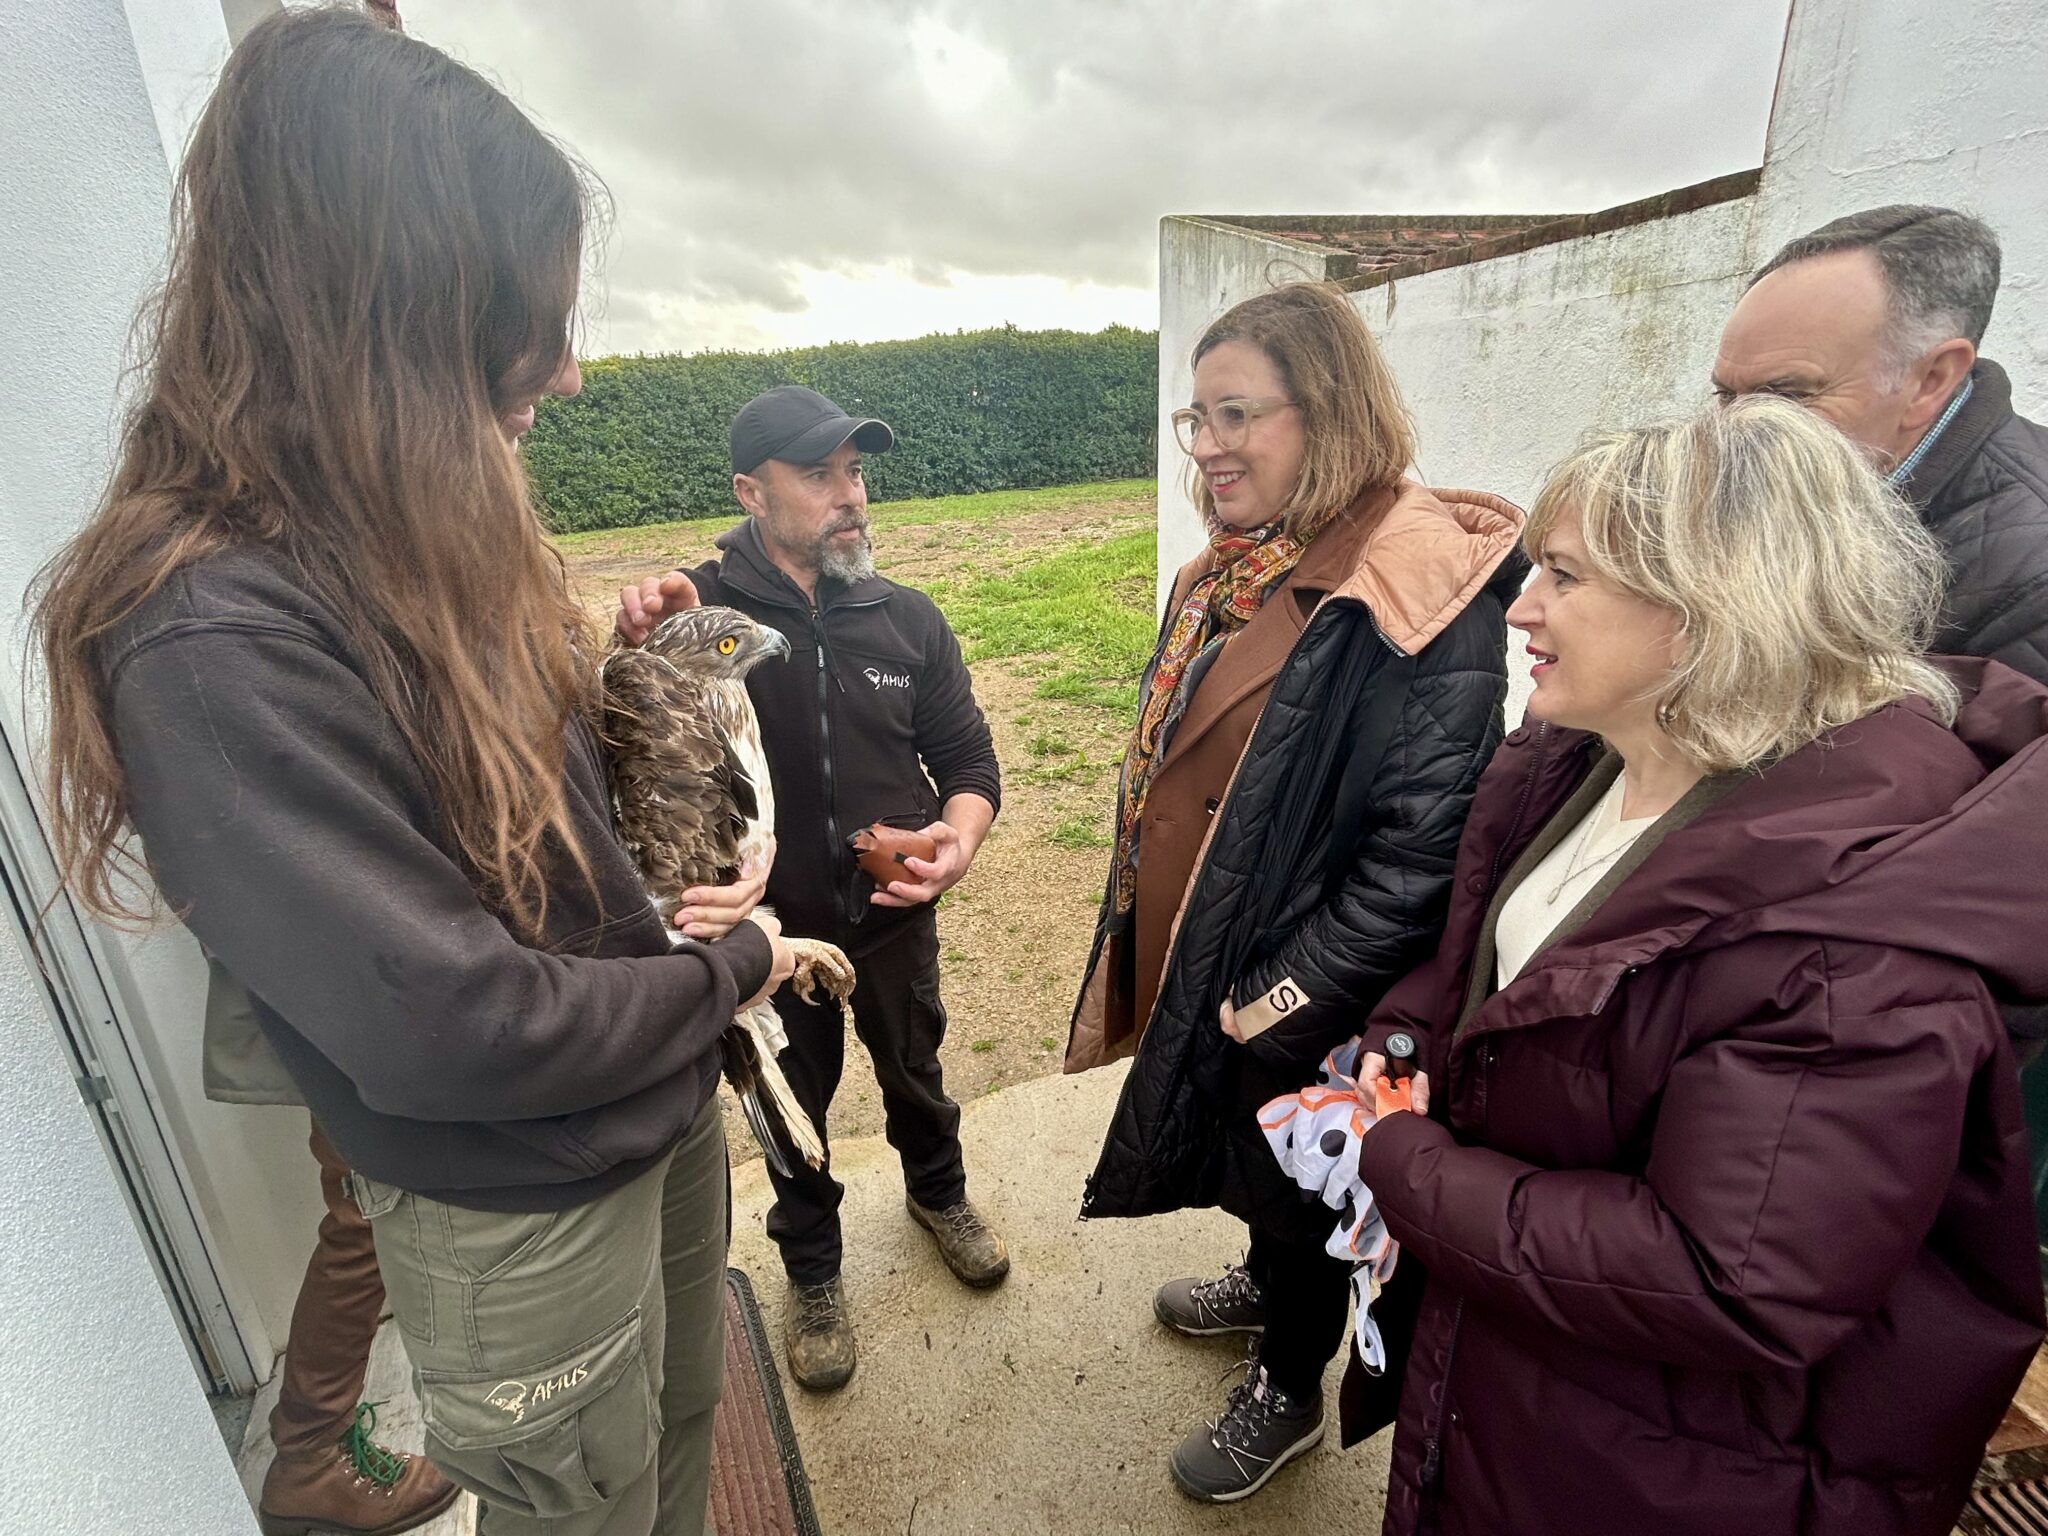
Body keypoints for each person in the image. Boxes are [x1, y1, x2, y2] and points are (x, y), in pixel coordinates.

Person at [33, 12, 793, 1536]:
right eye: (527, 321)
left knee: (675, 1449)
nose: (569, 374)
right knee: (587, 1510)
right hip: (523, 1202)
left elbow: (489, 806)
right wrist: (740, 972)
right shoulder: (204, 626)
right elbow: (459, 1027)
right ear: (387, 306)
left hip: (644, 1108)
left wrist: (620, 687)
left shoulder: (405, 526)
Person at [1351, 396, 2048, 1536]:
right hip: (1521, 1382)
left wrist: (1406, 1164)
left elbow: (1732, 1278)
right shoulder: (1585, 760)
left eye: (1562, 577)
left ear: (1713, 604)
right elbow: (1501, 975)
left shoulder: (1847, 936)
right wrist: (1400, 1038)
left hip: (1674, 1469)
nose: (1519, 607)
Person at [1062, 281, 1524, 1503]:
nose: (1205, 446)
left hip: (1311, 982)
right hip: (1230, 944)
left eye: (1234, 414)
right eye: (1192, 419)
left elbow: (1418, 855)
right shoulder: (1241, 567)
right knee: (1253, 1166)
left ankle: (1289, 1383)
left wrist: (1281, 992)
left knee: (1309, 1181)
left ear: (1326, 413)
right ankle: (1269, 1283)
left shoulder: (1417, 590)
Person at [614, 385, 1007, 1394]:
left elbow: (967, 759)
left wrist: (954, 846)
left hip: (889, 927)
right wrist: (645, 637)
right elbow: (623, 731)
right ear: (750, 491)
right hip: (769, 946)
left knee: (916, 1075)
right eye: (818, 473)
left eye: (856, 472)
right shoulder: (702, 619)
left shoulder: (904, 618)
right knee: (792, 1112)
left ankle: (940, 1196)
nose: (850, 495)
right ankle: (815, 1277)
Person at [1714, 206, 2048, 685]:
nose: (1731, 434)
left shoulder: (2031, 589)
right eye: (1725, 395)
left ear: (1931, 380)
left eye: (1787, 397)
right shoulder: (1796, 484)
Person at [204, 964, 459, 1534]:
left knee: (369, 1215)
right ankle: (310, 1456)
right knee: (365, 1216)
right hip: (350, 987)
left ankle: (310, 1451)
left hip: (359, 988)